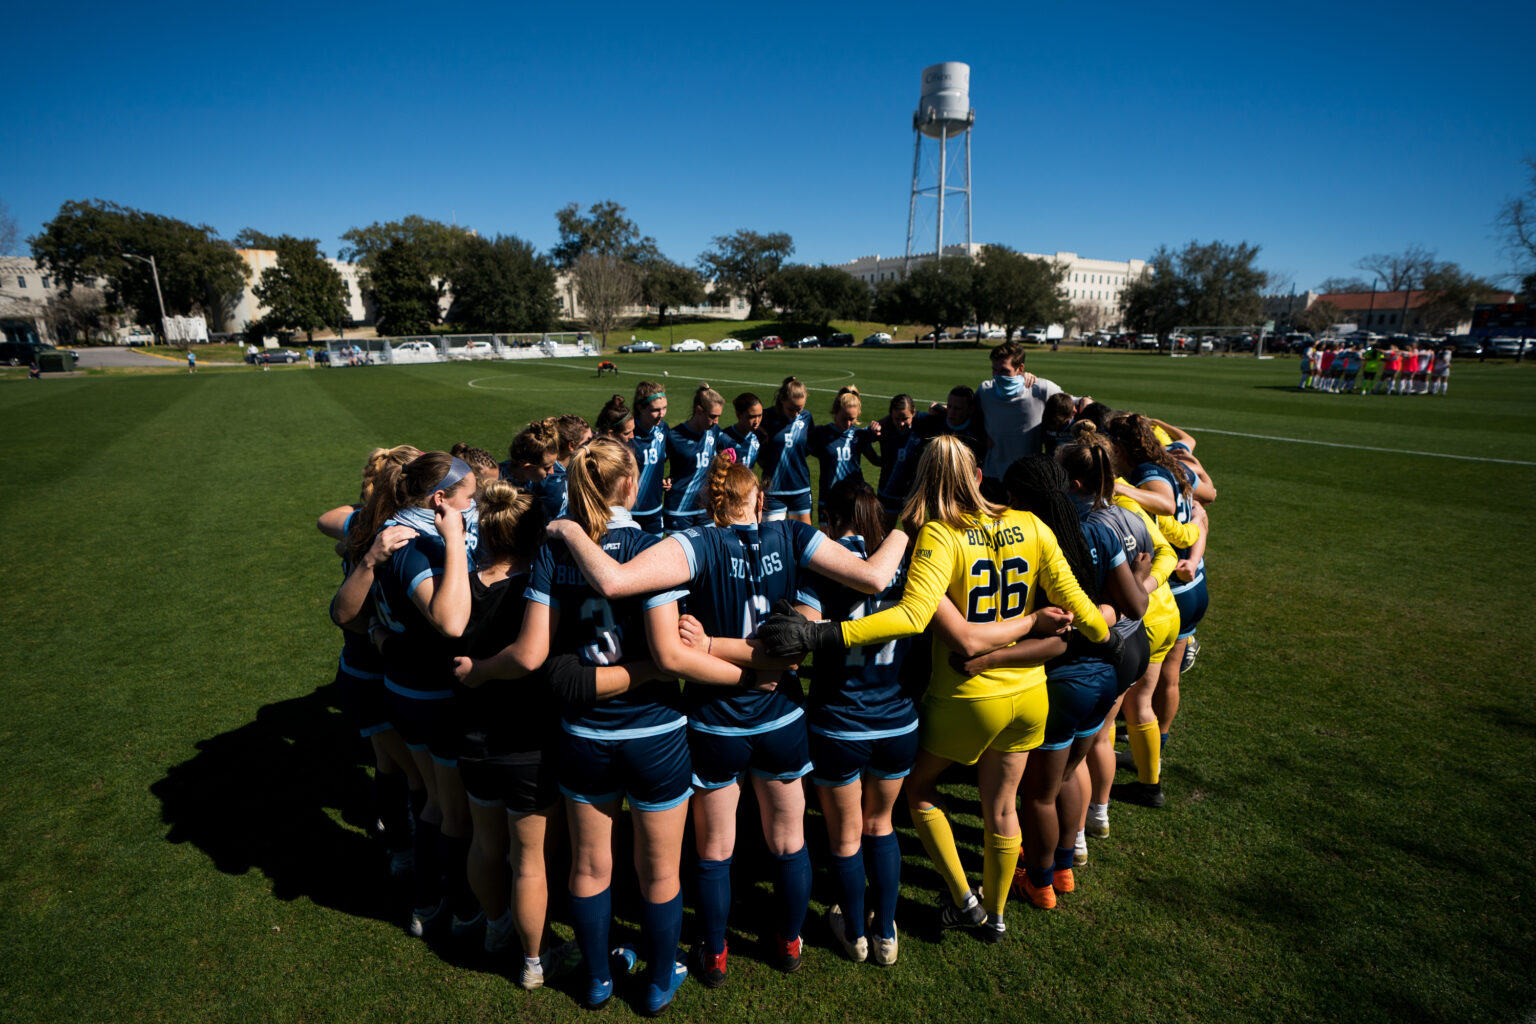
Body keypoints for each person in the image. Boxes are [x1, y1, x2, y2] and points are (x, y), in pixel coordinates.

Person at [545, 452, 911, 986]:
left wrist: (569, 531)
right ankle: (789, 942)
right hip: (781, 712)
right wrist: (906, 525)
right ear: (760, 500)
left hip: (716, 718)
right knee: (788, 839)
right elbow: (876, 577)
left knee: (715, 848)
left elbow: (618, 581)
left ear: (710, 503)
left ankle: (713, 953)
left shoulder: (694, 542)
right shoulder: (792, 535)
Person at [756, 435, 1111, 944]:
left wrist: (823, 634)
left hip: (967, 695)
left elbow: (914, 615)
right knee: (1003, 807)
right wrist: (1104, 637)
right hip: (1030, 695)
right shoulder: (1031, 523)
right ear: (975, 472)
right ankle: (994, 914)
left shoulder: (940, 536)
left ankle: (963, 897)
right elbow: (1076, 600)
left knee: (920, 791)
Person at [505, 438, 733, 1011]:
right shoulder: (651, 548)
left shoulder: (557, 551)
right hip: (654, 734)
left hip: (585, 733)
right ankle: (658, 982)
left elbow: (533, 651)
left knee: (588, 865)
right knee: (659, 871)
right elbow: (665, 657)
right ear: (631, 484)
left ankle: (598, 980)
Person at [787, 476, 914, 965]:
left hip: (840, 721)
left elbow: (800, 636)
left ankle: (855, 935)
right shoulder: (903, 565)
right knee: (881, 826)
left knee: (845, 833)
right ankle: (885, 933)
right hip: (896, 719)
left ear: (831, 520)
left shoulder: (823, 566)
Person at [368, 451, 480, 939]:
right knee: (450, 811)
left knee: (433, 801)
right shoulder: (418, 546)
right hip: (431, 697)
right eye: (469, 497)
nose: (474, 505)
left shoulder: (391, 526)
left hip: (404, 687)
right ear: (440, 499)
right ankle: (453, 905)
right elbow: (450, 621)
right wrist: (455, 542)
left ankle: (426, 898)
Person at [318, 446, 426, 879]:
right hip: (374, 671)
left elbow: (327, 521)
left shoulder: (370, 524)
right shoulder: (389, 533)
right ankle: (413, 858)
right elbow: (347, 616)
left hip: (375, 669)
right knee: (413, 773)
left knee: (393, 765)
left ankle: (404, 846)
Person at [976, 340, 1059, 480]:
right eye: (994, 370)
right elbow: (965, 412)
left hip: (1028, 476)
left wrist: (1085, 399)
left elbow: (1071, 403)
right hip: (992, 475)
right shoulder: (985, 390)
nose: (997, 376)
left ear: (1020, 368)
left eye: (1004, 371)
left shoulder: (1041, 389)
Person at [808, 387, 880, 528]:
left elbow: (875, 460)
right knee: (827, 541)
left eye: (852, 419)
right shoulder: (821, 433)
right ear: (835, 412)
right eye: (844, 418)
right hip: (829, 497)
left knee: (856, 540)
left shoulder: (860, 436)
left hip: (854, 497)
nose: (848, 423)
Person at [664, 384, 725, 532]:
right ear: (699, 411)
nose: (716, 421)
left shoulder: (714, 431)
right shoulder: (675, 436)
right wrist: (662, 480)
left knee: (708, 553)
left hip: (706, 509)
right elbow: (657, 463)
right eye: (712, 416)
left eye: (718, 416)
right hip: (679, 508)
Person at [758, 376, 814, 524]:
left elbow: (808, 447)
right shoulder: (766, 418)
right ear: (782, 399)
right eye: (791, 409)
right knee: (772, 541)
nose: (796, 413)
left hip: (800, 488)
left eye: (799, 409)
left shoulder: (807, 418)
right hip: (773, 490)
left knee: (804, 541)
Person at [501, 420, 562, 524]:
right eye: (547, 468)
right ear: (527, 467)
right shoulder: (496, 484)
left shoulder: (539, 481)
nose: (552, 472)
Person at [629, 381, 670, 535]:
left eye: (664, 408)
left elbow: (658, 463)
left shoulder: (663, 429)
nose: (662, 414)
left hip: (654, 511)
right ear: (640, 408)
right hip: (629, 513)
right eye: (656, 410)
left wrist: (666, 479)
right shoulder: (628, 434)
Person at [873, 394, 916, 496]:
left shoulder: (921, 426)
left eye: (905, 418)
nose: (901, 423)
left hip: (913, 494)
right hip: (887, 492)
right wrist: (877, 460)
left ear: (914, 413)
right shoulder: (883, 428)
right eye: (897, 419)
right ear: (891, 415)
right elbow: (860, 438)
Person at [720, 392, 763, 468]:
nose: (756, 421)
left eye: (759, 416)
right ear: (739, 414)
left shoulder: (759, 436)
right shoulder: (724, 438)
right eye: (752, 417)